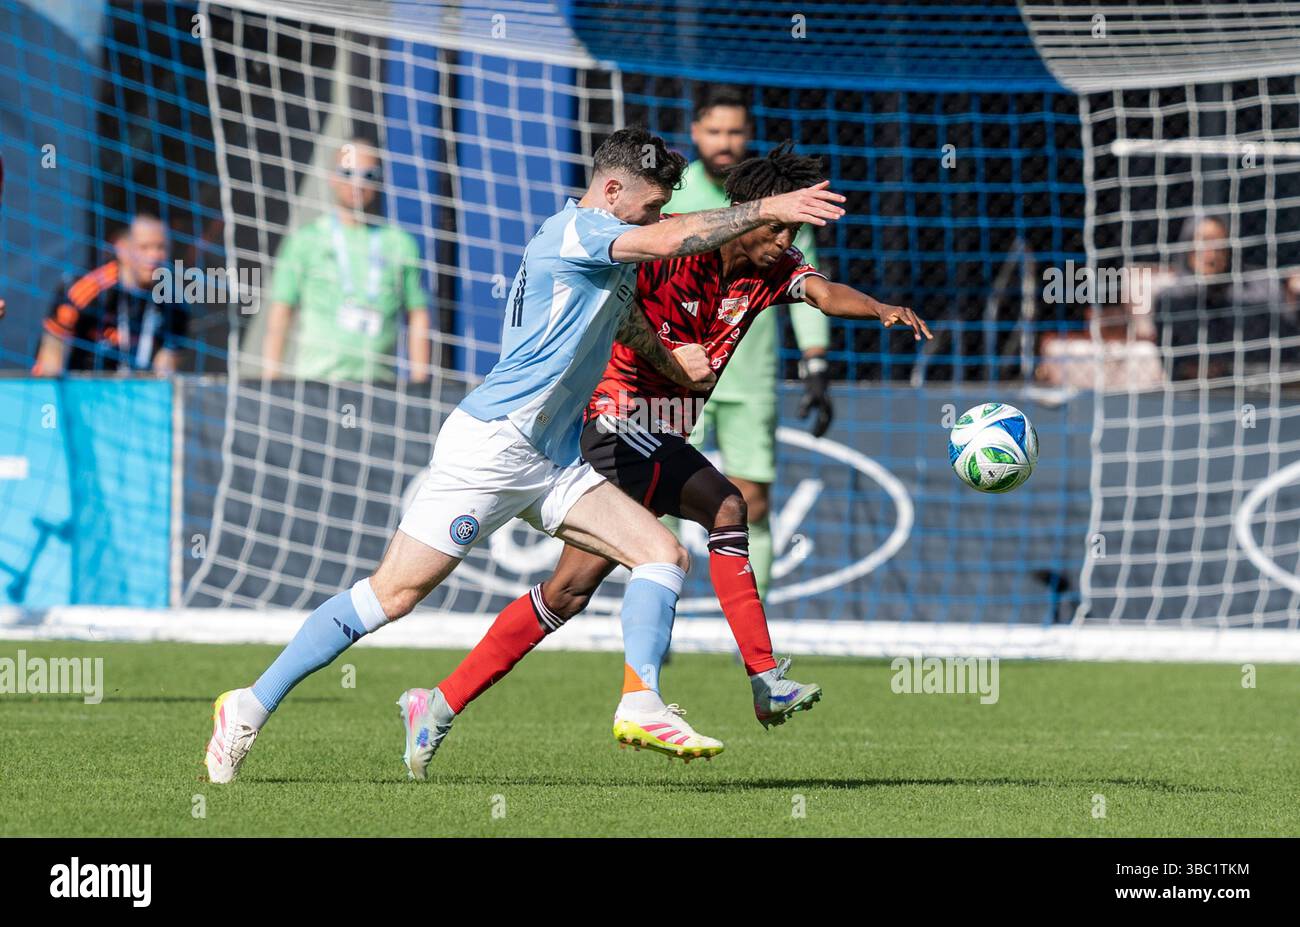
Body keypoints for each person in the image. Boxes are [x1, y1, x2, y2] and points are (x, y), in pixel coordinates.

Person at [203, 127, 847, 783]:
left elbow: (623, 322)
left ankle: (641, 701)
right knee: (389, 596)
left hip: (556, 457)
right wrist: (767, 208)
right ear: (613, 190)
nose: (657, 218)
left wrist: (673, 367)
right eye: (651, 205)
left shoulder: (611, 251)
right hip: (490, 449)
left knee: (662, 553)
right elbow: (670, 239)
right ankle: (248, 706)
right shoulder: (578, 233)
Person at [417, 143, 929, 762]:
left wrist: (878, 309)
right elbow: (613, 300)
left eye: (792, 232)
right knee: (726, 505)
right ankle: (750, 681)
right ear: (746, 214)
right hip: (616, 417)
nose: (783, 241)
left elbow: (821, 293)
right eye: (778, 226)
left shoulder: (773, 268)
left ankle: (438, 704)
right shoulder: (673, 250)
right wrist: (664, 355)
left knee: (568, 593)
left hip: (665, 430)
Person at [669, 86, 835, 599]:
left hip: (749, 375)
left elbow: (808, 282)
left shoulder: (780, 203)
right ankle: (661, 618)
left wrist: (816, 362)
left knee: (753, 501)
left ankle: (750, 629)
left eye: (735, 131)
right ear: (696, 132)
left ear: (748, 134)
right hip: (675, 372)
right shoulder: (671, 196)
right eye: (714, 130)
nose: (724, 141)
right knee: (661, 493)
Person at [262, 139, 431, 383]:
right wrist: (270, 382)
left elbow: (417, 314)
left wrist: (420, 382)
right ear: (332, 177)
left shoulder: (400, 244)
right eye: (348, 173)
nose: (358, 183)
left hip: (380, 388)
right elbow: (281, 312)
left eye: (368, 175)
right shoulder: (306, 241)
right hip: (315, 386)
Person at [33, 214, 186, 375]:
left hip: (138, 392)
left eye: (161, 247)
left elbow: (166, 368)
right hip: (81, 388)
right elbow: (52, 350)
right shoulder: (87, 288)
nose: (154, 256)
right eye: (144, 247)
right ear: (122, 249)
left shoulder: (174, 303)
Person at [1154, 214, 1300, 380]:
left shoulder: (1260, 289)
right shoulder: (1170, 300)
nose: (1212, 254)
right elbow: (1170, 360)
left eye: (1219, 245)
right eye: (1205, 242)